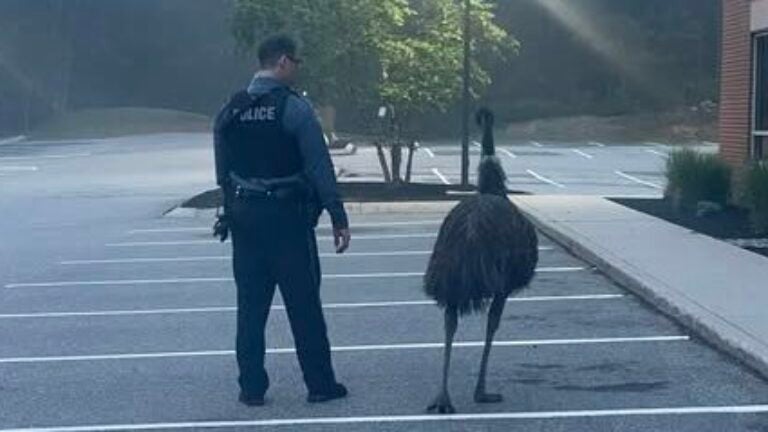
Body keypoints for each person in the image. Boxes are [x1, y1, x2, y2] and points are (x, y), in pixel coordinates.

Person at [213, 34, 351, 407]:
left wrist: (230, 209)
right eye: (296, 62)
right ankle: (320, 384)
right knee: (304, 306)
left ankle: (251, 388)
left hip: (245, 219)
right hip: (287, 219)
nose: (297, 69)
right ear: (283, 62)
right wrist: (337, 215)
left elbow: (222, 171)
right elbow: (319, 167)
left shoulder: (231, 109)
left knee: (250, 309)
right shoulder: (294, 108)